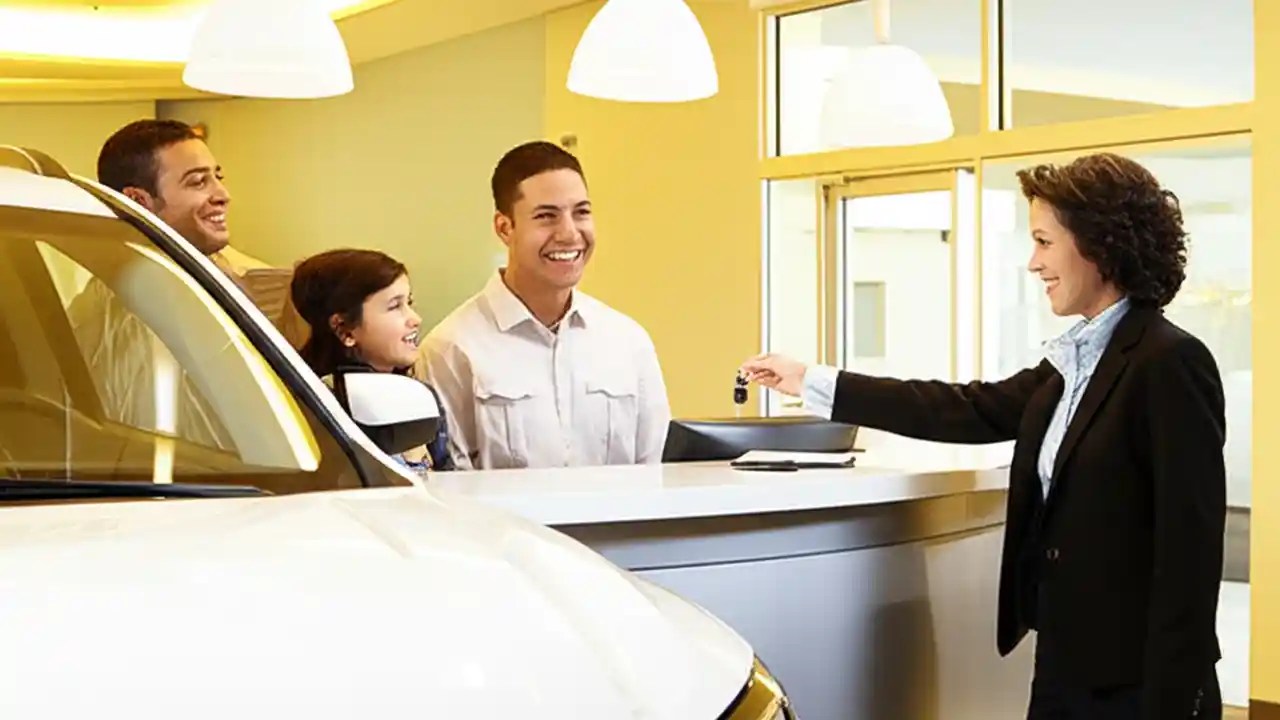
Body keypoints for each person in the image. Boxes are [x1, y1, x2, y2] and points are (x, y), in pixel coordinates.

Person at [741, 153, 1225, 720]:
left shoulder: (1169, 363)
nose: (1033, 262)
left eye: (1044, 242)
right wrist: (813, 380)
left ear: (1098, 244)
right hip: (1066, 664)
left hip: (1139, 685)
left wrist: (1174, 698)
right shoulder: (1073, 364)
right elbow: (963, 409)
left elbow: (1189, 553)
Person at [419, 140, 670, 470]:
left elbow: (656, 473)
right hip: (501, 524)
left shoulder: (627, 340)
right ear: (504, 227)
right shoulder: (451, 348)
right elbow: (446, 488)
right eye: (547, 216)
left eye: (581, 212)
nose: (569, 233)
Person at [290, 248, 452, 474]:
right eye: (395, 306)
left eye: (409, 303)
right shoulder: (317, 408)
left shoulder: (418, 395)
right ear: (344, 329)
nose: (415, 319)